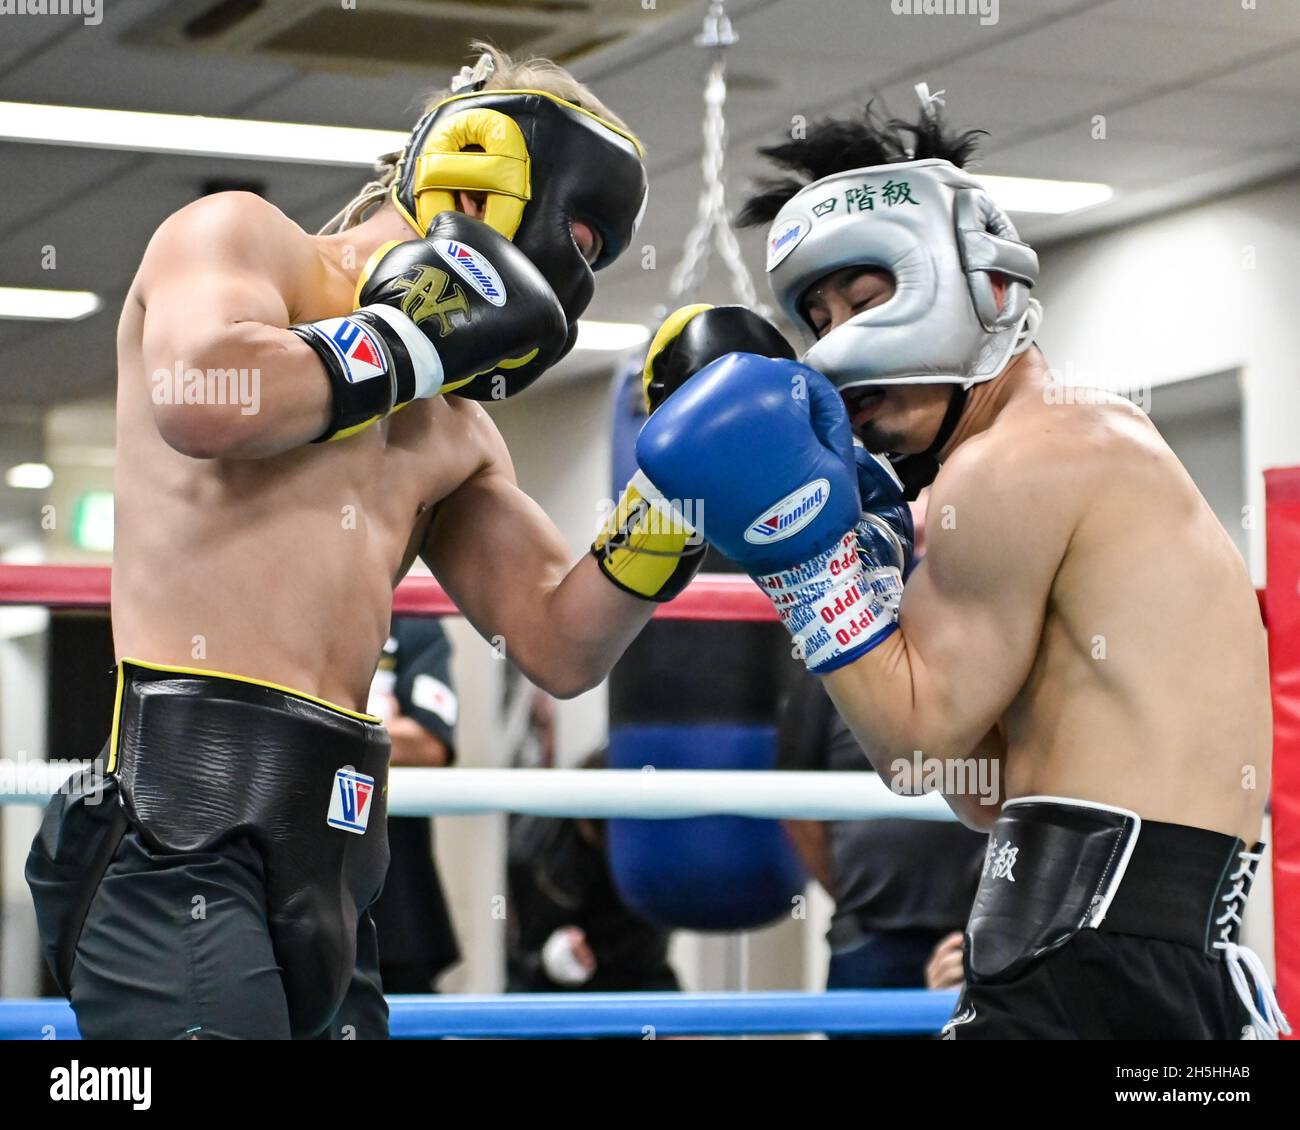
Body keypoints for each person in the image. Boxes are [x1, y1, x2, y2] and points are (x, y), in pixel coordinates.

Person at [25, 43, 705, 1040]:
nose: (576, 269)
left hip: (337, 850)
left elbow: (560, 642)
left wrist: (683, 500)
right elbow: (203, 395)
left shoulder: (457, 428)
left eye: (596, 254)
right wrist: (410, 335)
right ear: (482, 173)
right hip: (180, 832)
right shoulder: (246, 241)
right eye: (582, 229)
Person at [631, 92, 1288, 1039]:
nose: (840, 341)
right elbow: (978, 792)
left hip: (1091, 971)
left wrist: (806, 561)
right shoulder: (1068, 448)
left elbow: (907, 746)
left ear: (983, 287)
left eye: (865, 299)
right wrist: (878, 564)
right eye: (817, 314)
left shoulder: (1017, 462)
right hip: (1149, 963)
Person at [776, 666, 983, 1001]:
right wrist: (855, 890)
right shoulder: (834, 655)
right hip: (871, 932)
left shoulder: (996, 647)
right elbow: (795, 801)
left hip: (988, 929)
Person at [505, 751, 679, 994]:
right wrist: (551, 956)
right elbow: (522, 953)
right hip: (543, 985)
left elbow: (649, 960)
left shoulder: (653, 850)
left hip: (637, 973)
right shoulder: (535, 852)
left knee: (680, 1026)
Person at [366, 618, 460, 994]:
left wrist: (342, 723)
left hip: (396, 883)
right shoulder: (288, 604)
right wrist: (378, 724)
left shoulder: (411, 624)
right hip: (300, 870)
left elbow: (431, 744)